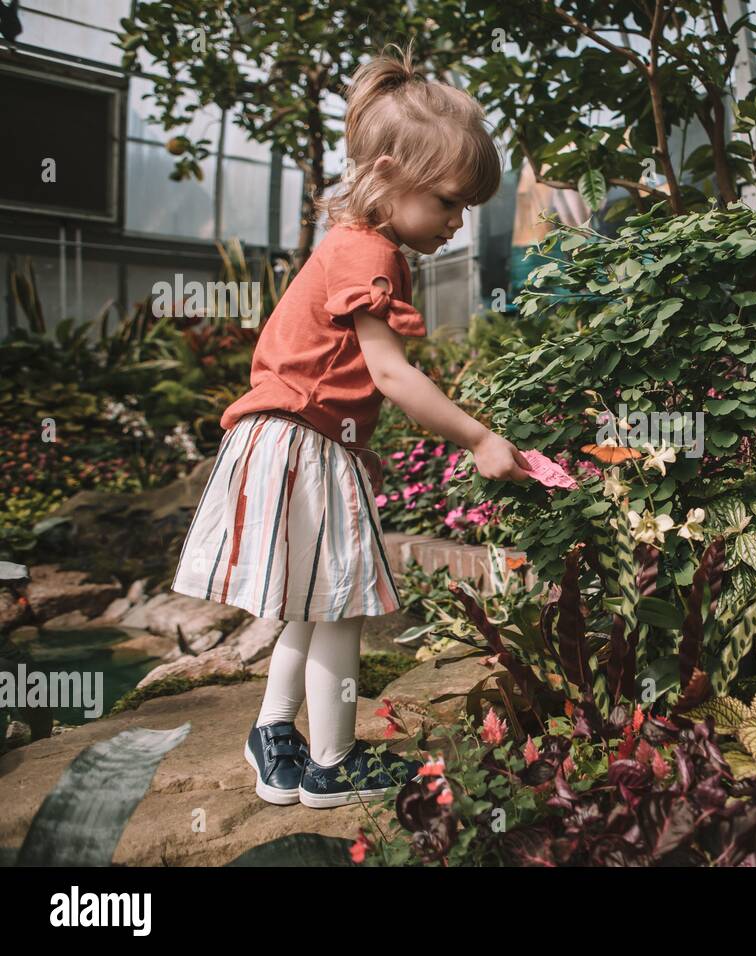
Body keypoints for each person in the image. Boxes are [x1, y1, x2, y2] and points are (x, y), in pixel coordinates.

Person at [171, 44, 531, 809]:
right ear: (393, 176)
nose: (458, 224)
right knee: (339, 602)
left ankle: (275, 740)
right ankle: (333, 765)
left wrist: (352, 452)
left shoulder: (346, 244)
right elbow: (391, 374)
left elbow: (332, 375)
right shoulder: (371, 253)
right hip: (296, 442)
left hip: (288, 439)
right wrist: (478, 437)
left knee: (310, 598)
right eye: (447, 202)